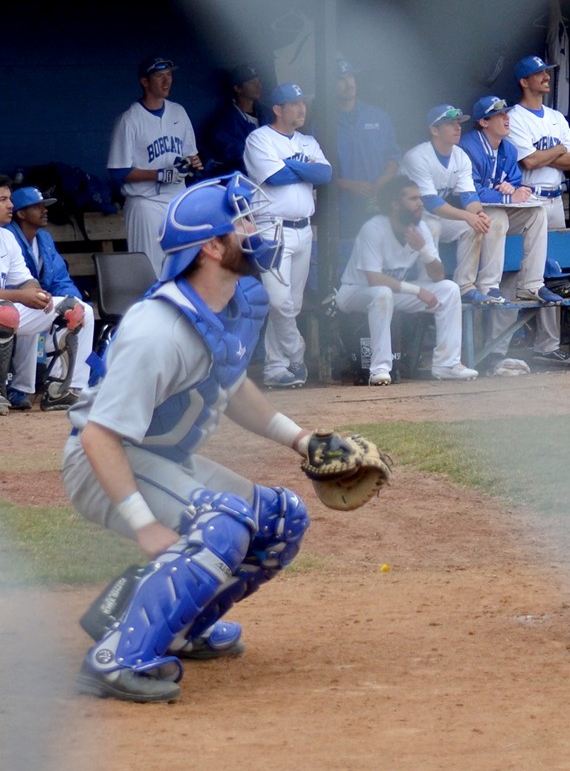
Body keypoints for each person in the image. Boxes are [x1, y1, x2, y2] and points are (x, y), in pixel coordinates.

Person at [63, 173, 319, 703]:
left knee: (282, 517)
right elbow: (100, 437)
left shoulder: (233, 302)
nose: (255, 230)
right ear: (210, 245)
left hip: (157, 459)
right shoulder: (156, 330)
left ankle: (180, 628)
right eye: (242, 222)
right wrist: (144, 527)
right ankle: (117, 658)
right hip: (104, 463)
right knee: (223, 525)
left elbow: (233, 385)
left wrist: (302, 441)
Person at [334, 177, 477, 384]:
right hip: (355, 292)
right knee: (382, 293)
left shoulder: (421, 228)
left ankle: (447, 364)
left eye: (420, 198)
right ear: (395, 204)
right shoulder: (373, 228)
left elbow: (437, 275)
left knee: (449, 289)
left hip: (393, 292)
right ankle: (380, 369)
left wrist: (424, 251)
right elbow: (374, 279)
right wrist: (418, 291)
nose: (420, 203)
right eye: (413, 199)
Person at [244, 82, 332, 388]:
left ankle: (276, 369)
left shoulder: (308, 141)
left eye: (302, 102)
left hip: (304, 229)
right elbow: (275, 176)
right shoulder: (259, 138)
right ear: (278, 109)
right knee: (278, 301)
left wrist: (293, 166)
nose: (301, 108)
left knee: (290, 305)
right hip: (272, 227)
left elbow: (325, 174)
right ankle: (297, 351)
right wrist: (301, 167)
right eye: (293, 104)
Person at [508, 54, 570, 364]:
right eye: (539, 73)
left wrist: (545, 154)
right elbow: (528, 161)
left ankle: (547, 346)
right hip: (528, 201)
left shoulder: (556, 117)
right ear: (524, 81)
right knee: (519, 271)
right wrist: (558, 150)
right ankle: (505, 343)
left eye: (547, 72)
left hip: (556, 200)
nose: (546, 77)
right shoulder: (513, 117)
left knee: (554, 272)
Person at [459, 95, 557, 306]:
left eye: (506, 113)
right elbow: (469, 190)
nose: (506, 117)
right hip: (464, 215)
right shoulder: (468, 146)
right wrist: (504, 194)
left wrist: (511, 188)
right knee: (498, 216)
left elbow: (514, 181)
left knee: (537, 213)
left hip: (492, 212)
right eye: (498, 114)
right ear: (484, 122)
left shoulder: (509, 148)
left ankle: (531, 285)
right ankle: (489, 286)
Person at [3, 185, 94, 409]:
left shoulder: (8, 237)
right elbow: (20, 292)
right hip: (7, 308)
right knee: (10, 312)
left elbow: (29, 279)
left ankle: (64, 387)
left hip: (11, 305)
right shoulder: (13, 233)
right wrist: (23, 296)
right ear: (23, 214)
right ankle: (15, 388)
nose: (10, 206)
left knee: (79, 309)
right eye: (3, 200)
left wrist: (38, 295)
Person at [400, 104, 503, 302]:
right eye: (450, 123)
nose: (457, 128)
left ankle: (465, 287)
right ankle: (428, 284)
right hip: (402, 221)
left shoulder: (460, 155)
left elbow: (469, 196)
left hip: (433, 217)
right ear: (434, 130)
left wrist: (478, 215)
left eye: (458, 123)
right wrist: (468, 215)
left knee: (472, 227)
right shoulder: (417, 156)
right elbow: (430, 202)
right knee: (432, 226)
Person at [109, 56, 202, 271]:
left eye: (169, 75)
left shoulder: (178, 111)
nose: (166, 81)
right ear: (145, 82)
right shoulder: (130, 119)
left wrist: (192, 162)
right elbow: (118, 172)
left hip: (178, 202)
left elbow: (190, 155)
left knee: (182, 269)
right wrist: (159, 174)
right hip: (145, 203)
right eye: (159, 76)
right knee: (149, 269)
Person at [330, 59, 401, 232]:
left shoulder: (378, 116)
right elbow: (316, 169)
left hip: (379, 204)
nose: (349, 84)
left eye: (350, 77)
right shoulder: (325, 122)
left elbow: (393, 157)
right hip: (342, 210)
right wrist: (347, 184)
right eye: (341, 79)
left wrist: (383, 180)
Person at [199, 63, 264, 179]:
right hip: (243, 182)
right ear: (238, 88)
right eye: (251, 82)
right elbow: (235, 157)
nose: (258, 86)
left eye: (258, 81)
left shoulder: (267, 114)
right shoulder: (224, 123)